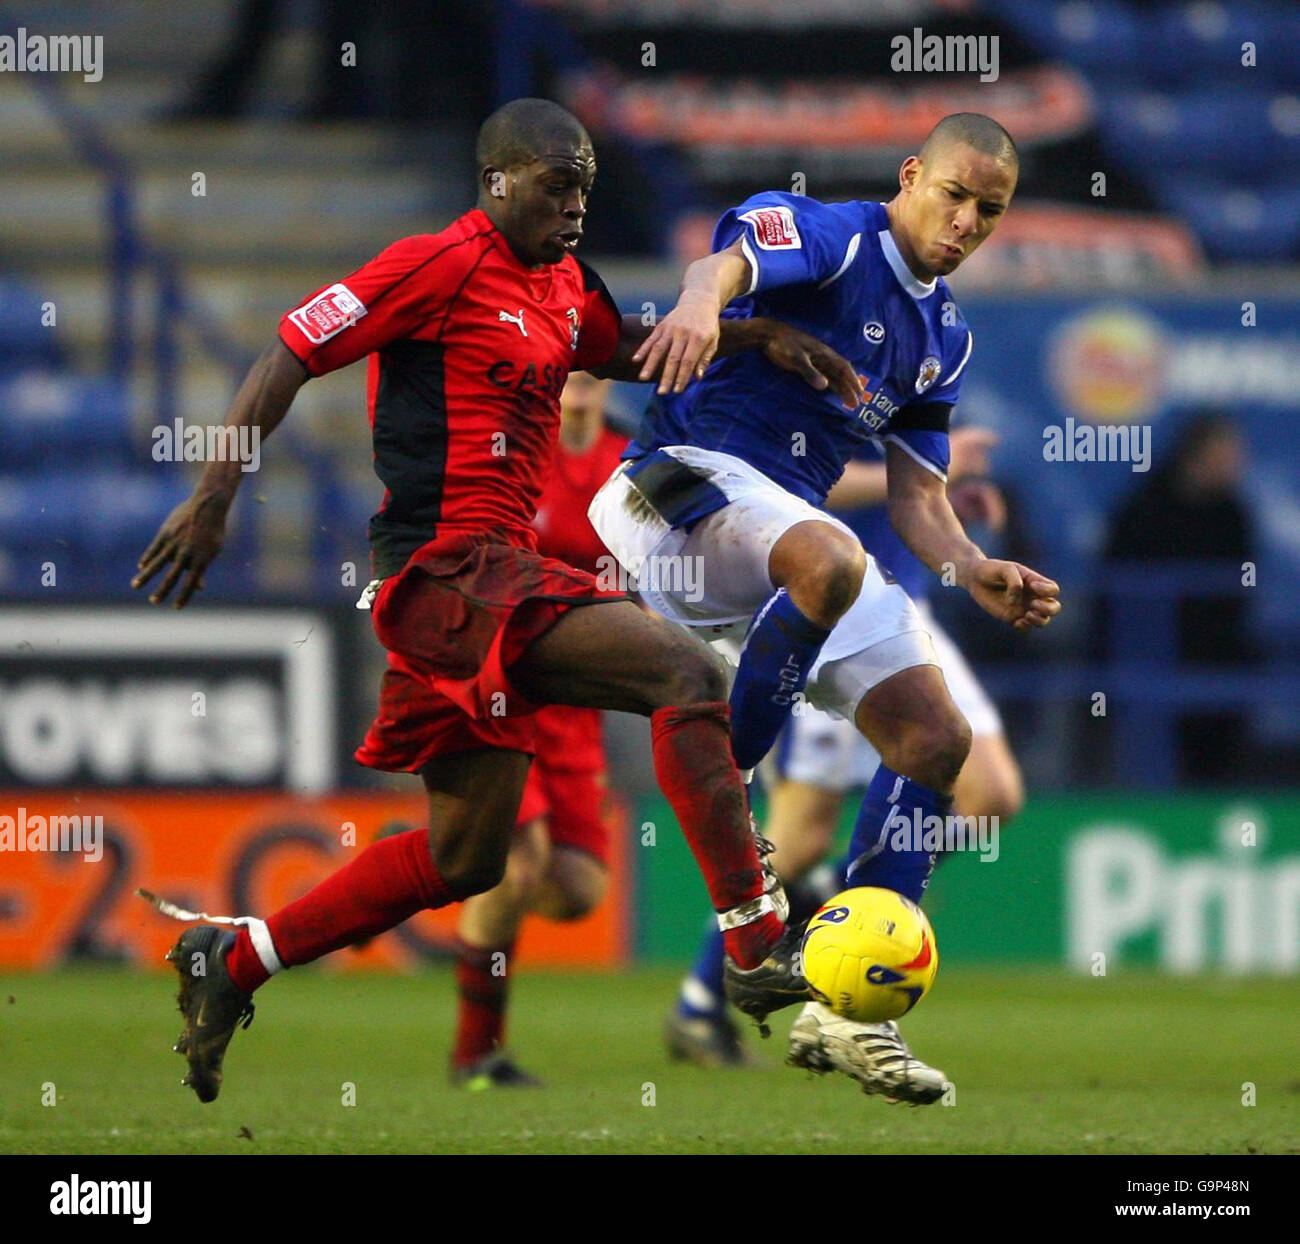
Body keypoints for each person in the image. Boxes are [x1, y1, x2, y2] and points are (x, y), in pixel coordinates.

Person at [131, 98, 862, 1104]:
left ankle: (236, 956)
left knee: (465, 857)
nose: (572, 207)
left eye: (584, 191)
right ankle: (752, 934)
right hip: (444, 569)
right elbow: (290, 351)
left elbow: (625, 345)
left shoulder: (565, 284)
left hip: (492, 581)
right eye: (554, 186)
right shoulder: (437, 264)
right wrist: (212, 499)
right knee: (684, 674)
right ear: (495, 182)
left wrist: (760, 334)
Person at [589, 113, 1060, 1104]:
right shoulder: (834, 235)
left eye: (990, 209)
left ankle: (848, 1014)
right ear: (909, 175)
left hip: (788, 540)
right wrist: (688, 308)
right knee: (827, 554)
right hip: (669, 488)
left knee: (939, 740)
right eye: (954, 194)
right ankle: (734, 801)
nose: (967, 220)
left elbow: (918, 495)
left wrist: (973, 566)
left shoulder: (945, 337)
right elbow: (721, 268)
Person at [667, 427, 1026, 1065]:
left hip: (909, 617)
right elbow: (792, 486)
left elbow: (908, 495)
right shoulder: (819, 377)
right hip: (831, 620)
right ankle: (700, 1000)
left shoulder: (915, 362)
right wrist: (923, 479)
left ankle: (848, 914)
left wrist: (949, 509)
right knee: (799, 841)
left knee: (991, 796)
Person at [449, 371, 626, 1088]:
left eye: (593, 360)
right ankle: (477, 1055)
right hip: (502, 687)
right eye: (568, 361)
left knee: (577, 889)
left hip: (578, 704)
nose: (580, 375)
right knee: (516, 867)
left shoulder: (631, 463)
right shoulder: (511, 457)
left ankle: (439, 855)